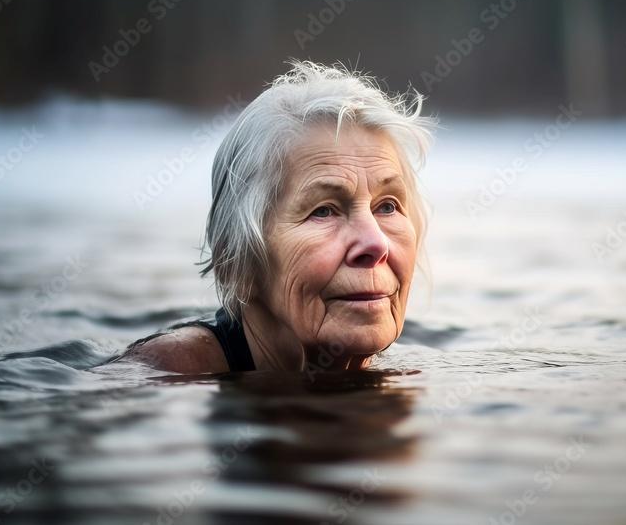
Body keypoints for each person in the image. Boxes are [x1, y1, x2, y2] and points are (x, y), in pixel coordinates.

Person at [120, 61, 435, 374]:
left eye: (388, 206)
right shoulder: (168, 373)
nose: (376, 244)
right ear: (236, 262)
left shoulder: (423, 374)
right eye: (323, 211)